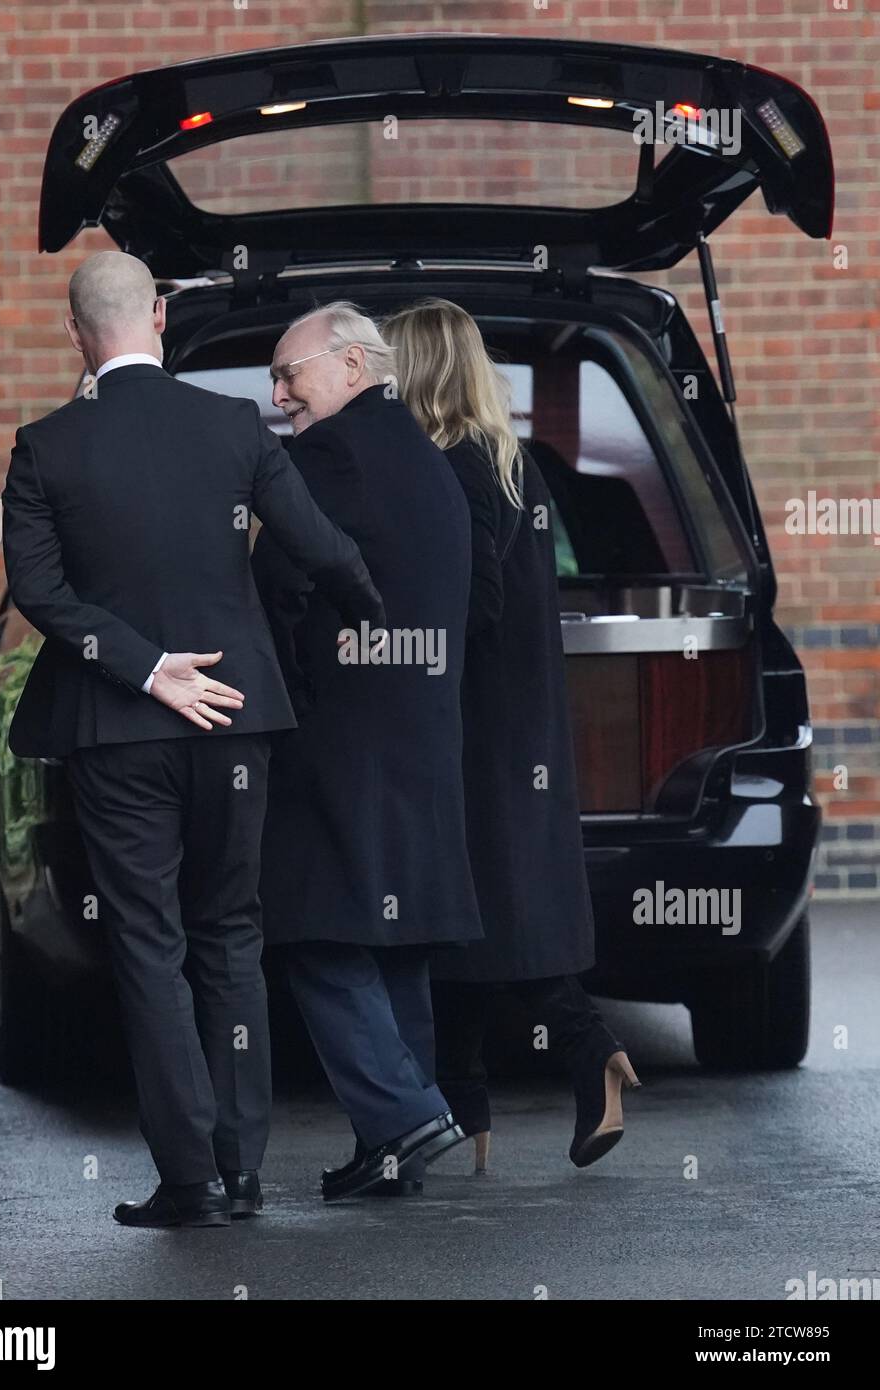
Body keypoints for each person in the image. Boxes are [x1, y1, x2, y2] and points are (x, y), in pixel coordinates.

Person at [1, 252, 385, 1228]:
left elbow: (44, 597)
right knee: (230, 937)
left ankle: (190, 1180)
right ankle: (243, 1167)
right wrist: (372, 607)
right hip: (236, 721)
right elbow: (317, 545)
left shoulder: (45, 446)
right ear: (162, 317)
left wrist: (141, 664)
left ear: (74, 332)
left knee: (149, 945)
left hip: (118, 726)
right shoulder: (231, 426)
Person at [382, 298, 640, 1173]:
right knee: (463, 919)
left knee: (480, 917)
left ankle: (585, 1046)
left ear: (417, 370)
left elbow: (476, 600)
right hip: (517, 720)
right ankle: (470, 1114)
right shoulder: (509, 460)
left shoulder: (448, 463)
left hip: (472, 723)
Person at [251, 302, 481, 1201]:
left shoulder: (327, 455)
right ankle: (394, 1150)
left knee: (309, 926)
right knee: (396, 940)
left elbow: (277, 586)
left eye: (289, 375)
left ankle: (399, 1115)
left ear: (350, 366)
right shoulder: (428, 457)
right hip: (420, 730)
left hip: (341, 734)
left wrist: (283, 699)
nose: (278, 396)